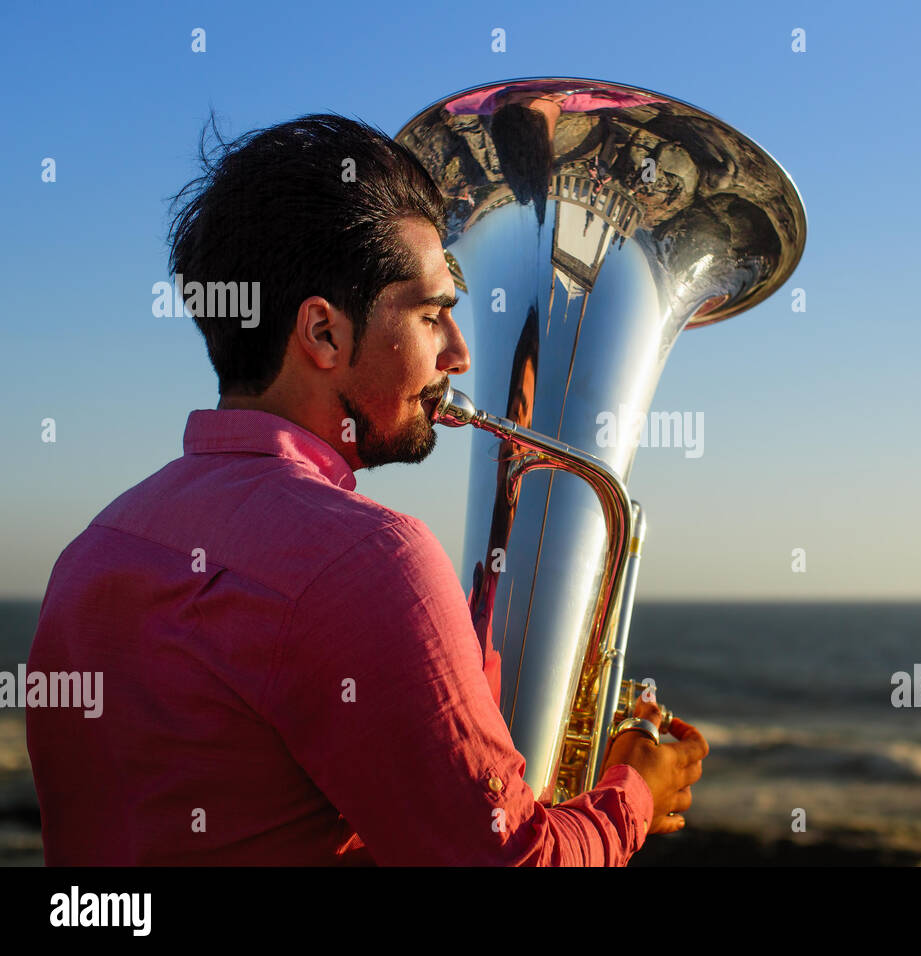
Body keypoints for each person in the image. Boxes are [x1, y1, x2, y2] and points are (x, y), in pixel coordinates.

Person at [25, 112, 707, 865]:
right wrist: (633, 790)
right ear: (323, 334)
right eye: (432, 313)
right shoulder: (368, 557)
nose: (459, 351)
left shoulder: (92, 552)